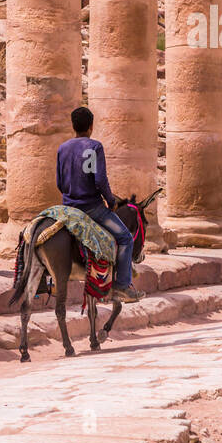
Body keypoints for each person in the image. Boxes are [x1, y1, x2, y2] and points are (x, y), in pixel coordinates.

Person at [56, 106, 145, 303]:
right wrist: (111, 201)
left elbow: (60, 183)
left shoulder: (62, 148)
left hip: (68, 207)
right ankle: (122, 286)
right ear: (91, 126)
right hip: (92, 208)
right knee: (125, 239)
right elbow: (100, 180)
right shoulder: (95, 147)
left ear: (73, 126)